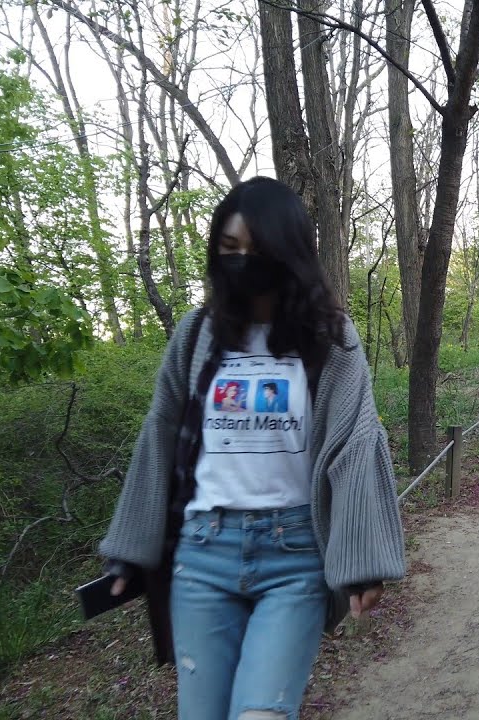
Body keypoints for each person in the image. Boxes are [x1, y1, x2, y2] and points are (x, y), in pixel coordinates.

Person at [98, 177, 405, 719]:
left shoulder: (330, 340)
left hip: (293, 556)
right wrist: (130, 548)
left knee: (261, 713)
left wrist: (362, 562)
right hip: (202, 552)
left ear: (288, 253)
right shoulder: (196, 336)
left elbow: (355, 442)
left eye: (257, 250)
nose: (243, 261)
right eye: (230, 249)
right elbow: (160, 436)